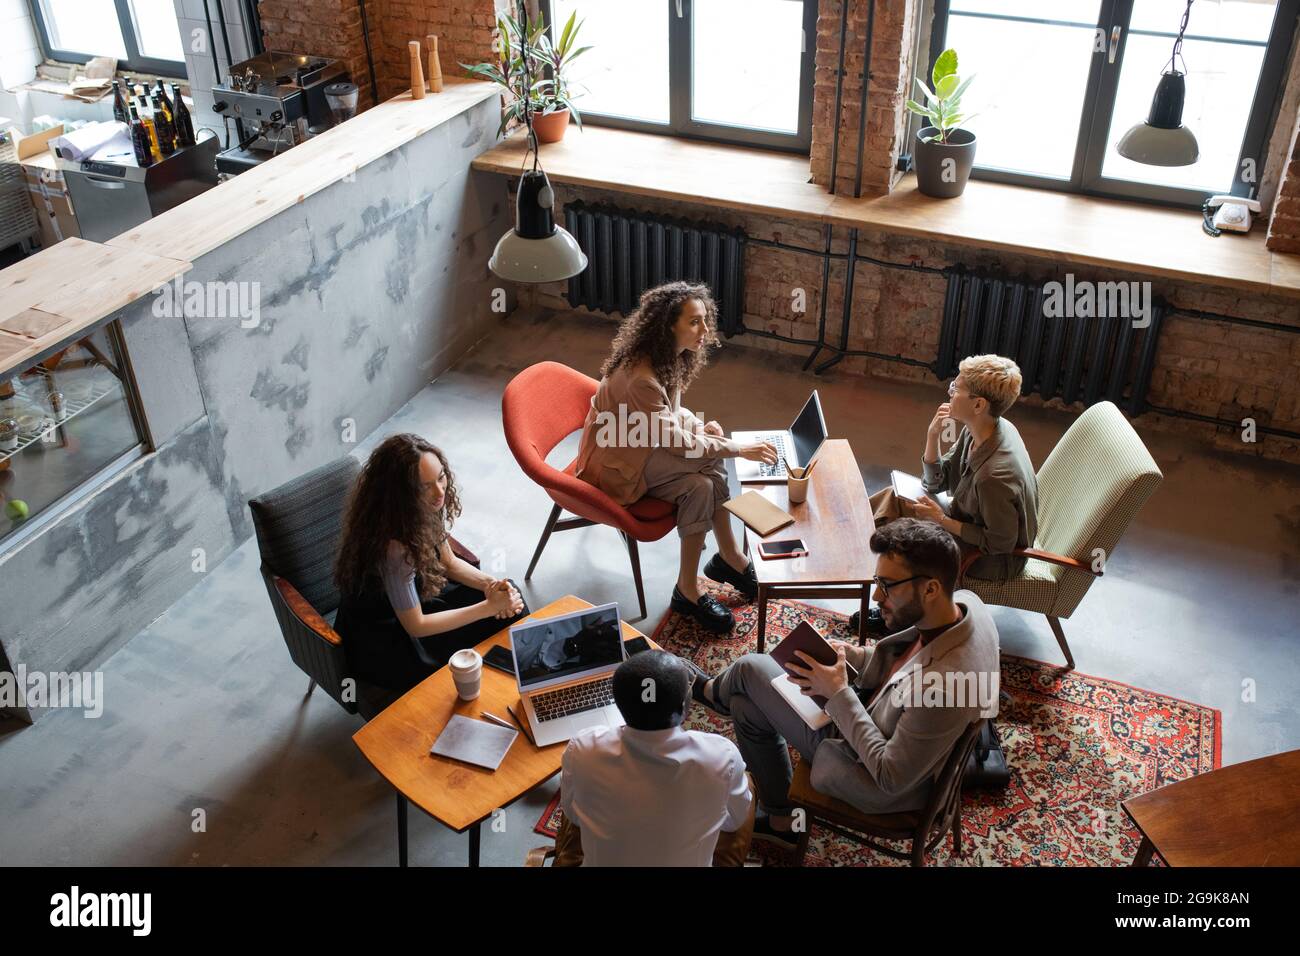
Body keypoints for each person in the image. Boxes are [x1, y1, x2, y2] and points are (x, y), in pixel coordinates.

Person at [686, 519, 999, 849]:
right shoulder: (966, 605)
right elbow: (904, 659)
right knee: (745, 706)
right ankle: (781, 818)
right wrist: (854, 656)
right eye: (878, 581)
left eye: (889, 585)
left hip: (871, 773)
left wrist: (838, 693)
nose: (877, 595)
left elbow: (890, 778)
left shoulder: (943, 690)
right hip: (882, 716)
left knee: (751, 668)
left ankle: (709, 693)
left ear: (931, 588)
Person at [575, 281, 778, 634]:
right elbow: (674, 439)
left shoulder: (669, 358)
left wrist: (699, 428)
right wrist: (736, 447)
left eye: (705, 320)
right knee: (709, 464)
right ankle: (727, 559)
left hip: (640, 443)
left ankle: (691, 586)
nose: (705, 330)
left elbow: (670, 416)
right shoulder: (641, 378)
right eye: (695, 322)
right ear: (670, 325)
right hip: (614, 463)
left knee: (702, 484)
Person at [853, 354, 1037, 636]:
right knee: (895, 498)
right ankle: (854, 537)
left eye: (956, 389)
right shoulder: (979, 430)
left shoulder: (994, 477)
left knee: (912, 543)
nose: (950, 392)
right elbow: (936, 482)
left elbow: (1000, 543)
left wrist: (941, 521)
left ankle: (899, 616)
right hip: (964, 522)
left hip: (992, 559)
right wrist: (932, 436)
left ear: (978, 404)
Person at [333, 433, 527, 693]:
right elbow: (417, 626)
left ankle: (521, 683)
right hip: (388, 633)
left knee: (511, 601)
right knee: (461, 656)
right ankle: (500, 692)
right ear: (400, 494)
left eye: (441, 477)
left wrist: (494, 587)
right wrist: (488, 607)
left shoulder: (422, 508)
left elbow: (450, 563)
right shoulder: (395, 547)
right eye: (424, 486)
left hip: (418, 598)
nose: (439, 492)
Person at [556, 649, 755, 866]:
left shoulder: (583, 750)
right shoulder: (721, 757)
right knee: (748, 784)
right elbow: (734, 821)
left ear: (619, 706)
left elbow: (572, 815)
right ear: (684, 707)